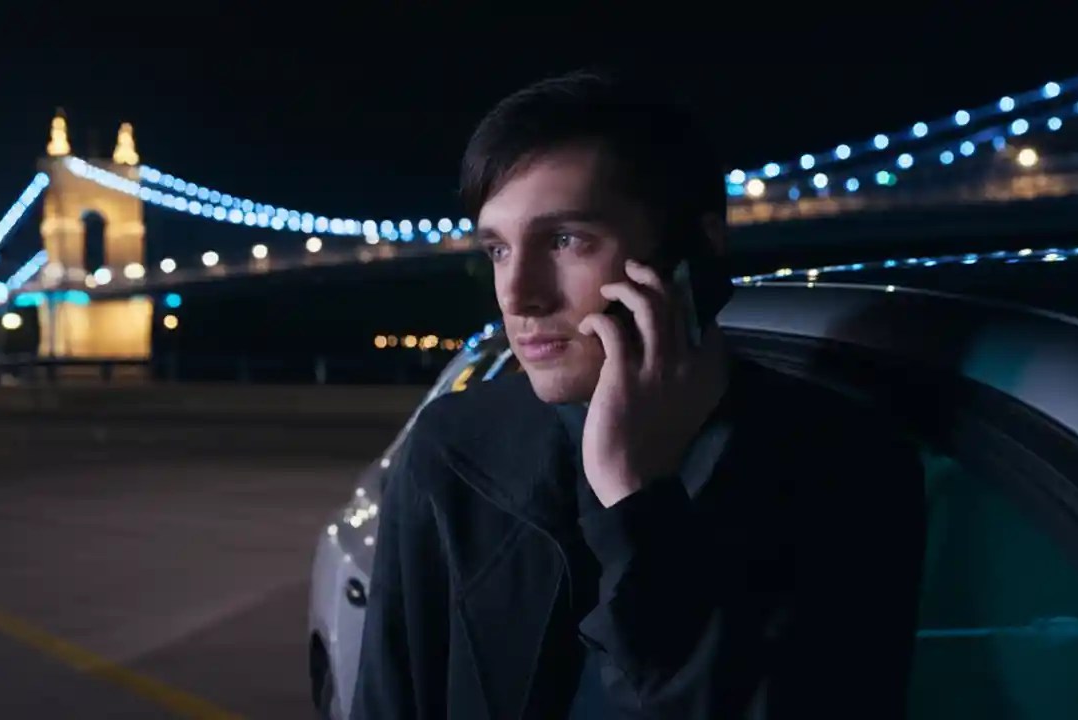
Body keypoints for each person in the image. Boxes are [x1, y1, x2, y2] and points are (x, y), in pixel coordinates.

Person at [351, 69, 927, 719]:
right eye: (498, 250)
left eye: (565, 240)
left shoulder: (847, 465)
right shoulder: (455, 449)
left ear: (696, 249)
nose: (518, 295)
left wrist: (633, 501)